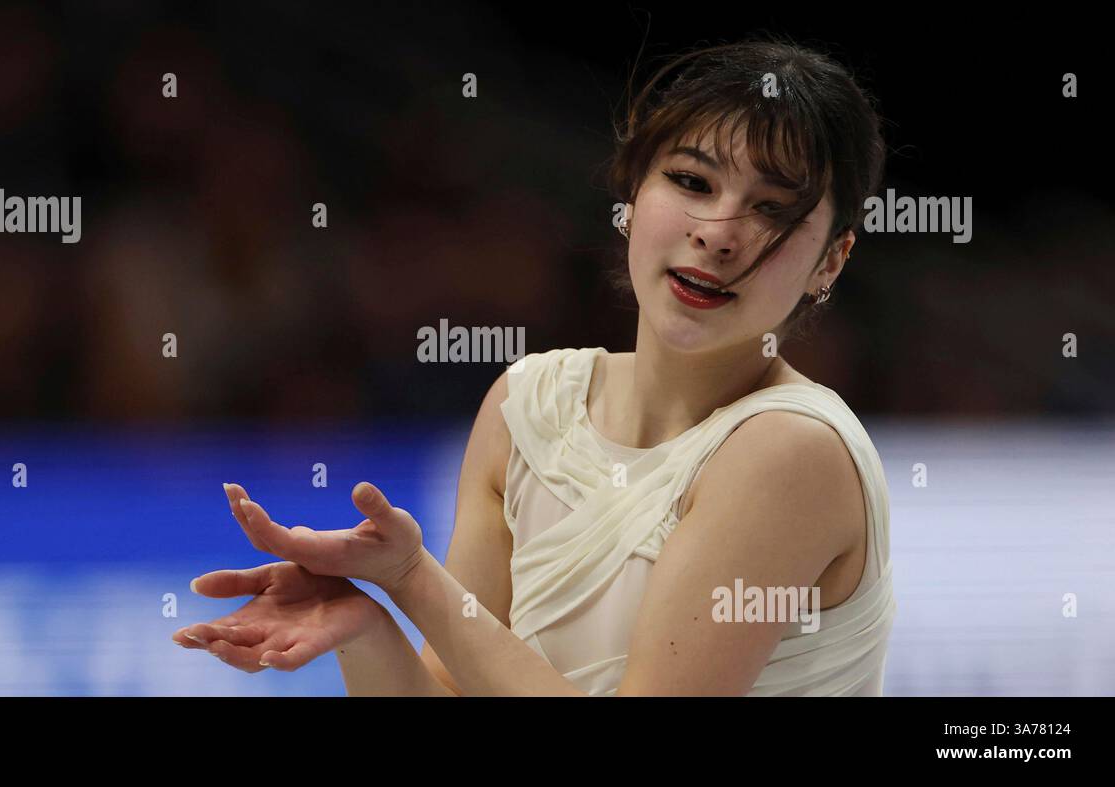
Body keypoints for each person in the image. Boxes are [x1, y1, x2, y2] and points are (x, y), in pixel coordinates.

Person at [172, 33, 896, 696]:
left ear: (831, 259)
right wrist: (362, 624)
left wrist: (413, 579)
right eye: (693, 182)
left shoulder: (791, 452)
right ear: (634, 191)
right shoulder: (529, 405)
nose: (717, 234)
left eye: (771, 210)